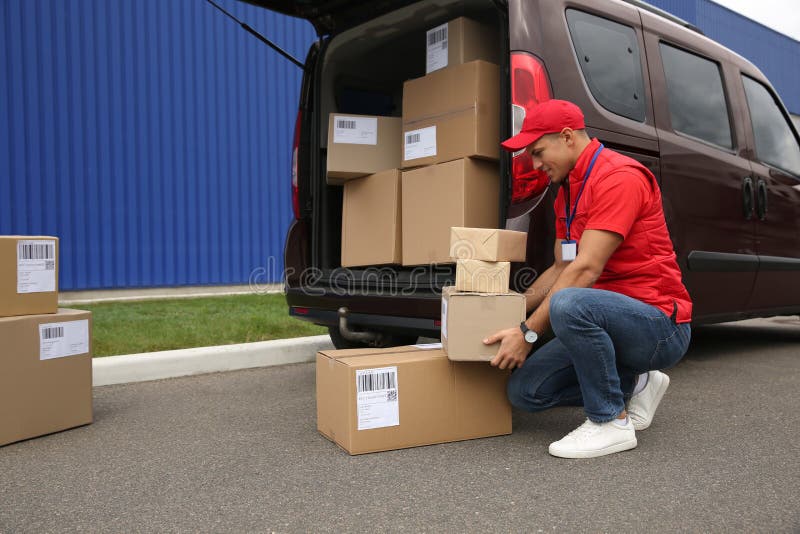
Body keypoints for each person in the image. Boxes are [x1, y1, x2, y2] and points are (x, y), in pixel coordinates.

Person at [483, 99, 692, 459]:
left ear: (566, 137)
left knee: (570, 303)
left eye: (537, 152)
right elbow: (562, 266)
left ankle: (610, 420)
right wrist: (510, 308)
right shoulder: (566, 193)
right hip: (604, 317)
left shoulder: (619, 177)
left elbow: (585, 269)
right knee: (525, 392)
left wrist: (528, 332)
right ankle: (637, 382)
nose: (534, 165)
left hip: (658, 325)